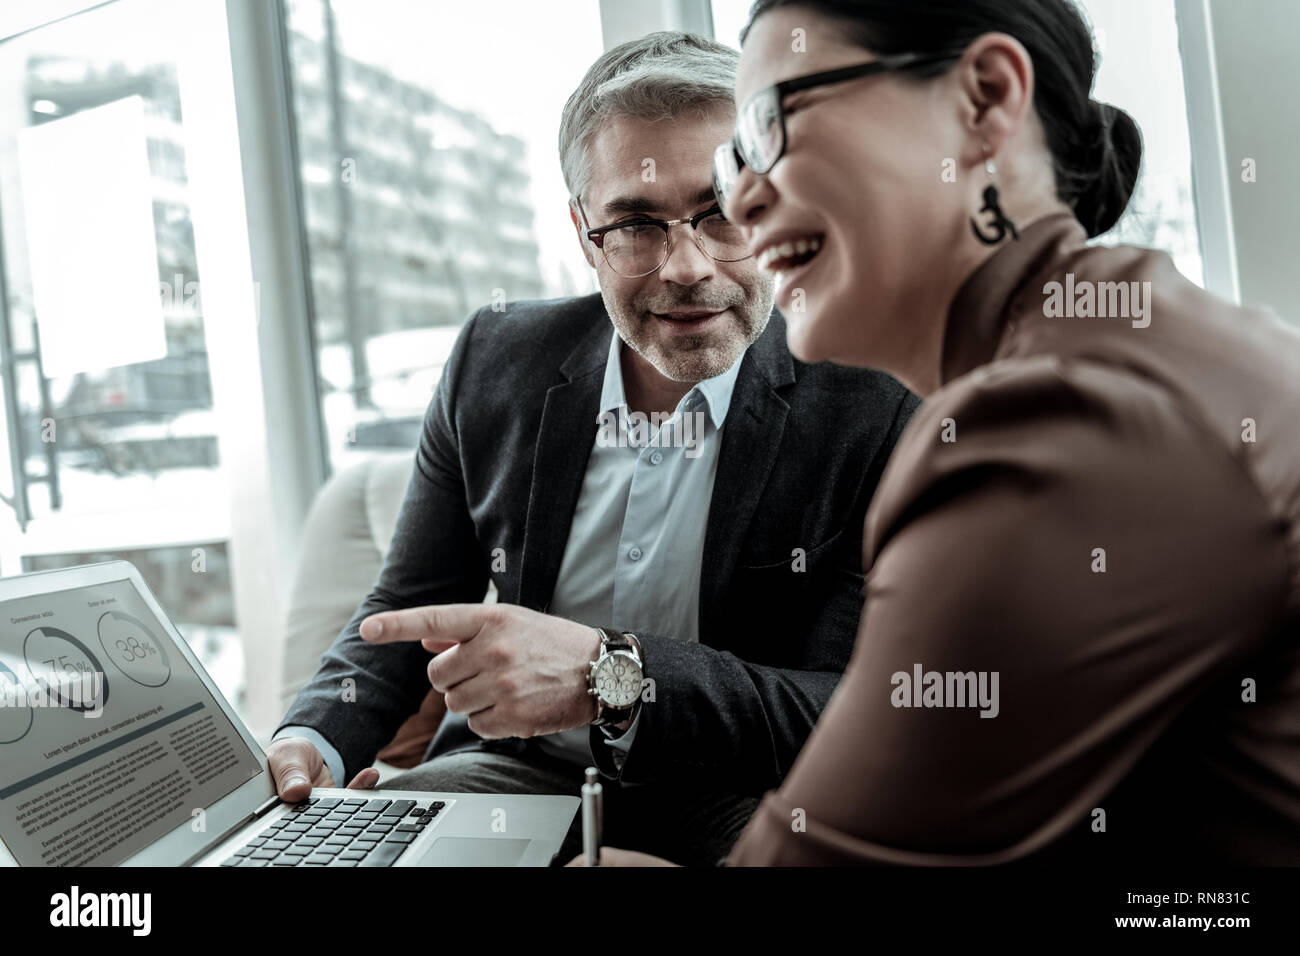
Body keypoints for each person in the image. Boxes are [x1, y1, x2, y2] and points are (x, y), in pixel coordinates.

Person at [578, 0, 1300, 866]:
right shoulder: (1149, 334)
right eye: (742, 158)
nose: (747, 195)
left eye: (772, 127)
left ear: (986, 100)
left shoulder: (1054, 426)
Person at [270, 31, 917, 867]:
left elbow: (849, 713)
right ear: (585, 233)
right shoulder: (492, 359)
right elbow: (406, 608)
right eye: (637, 226)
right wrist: (312, 737)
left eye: (721, 210)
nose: (686, 267)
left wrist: (609, 673)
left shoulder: (876, 396)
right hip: (514, 775)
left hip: (749, 793)